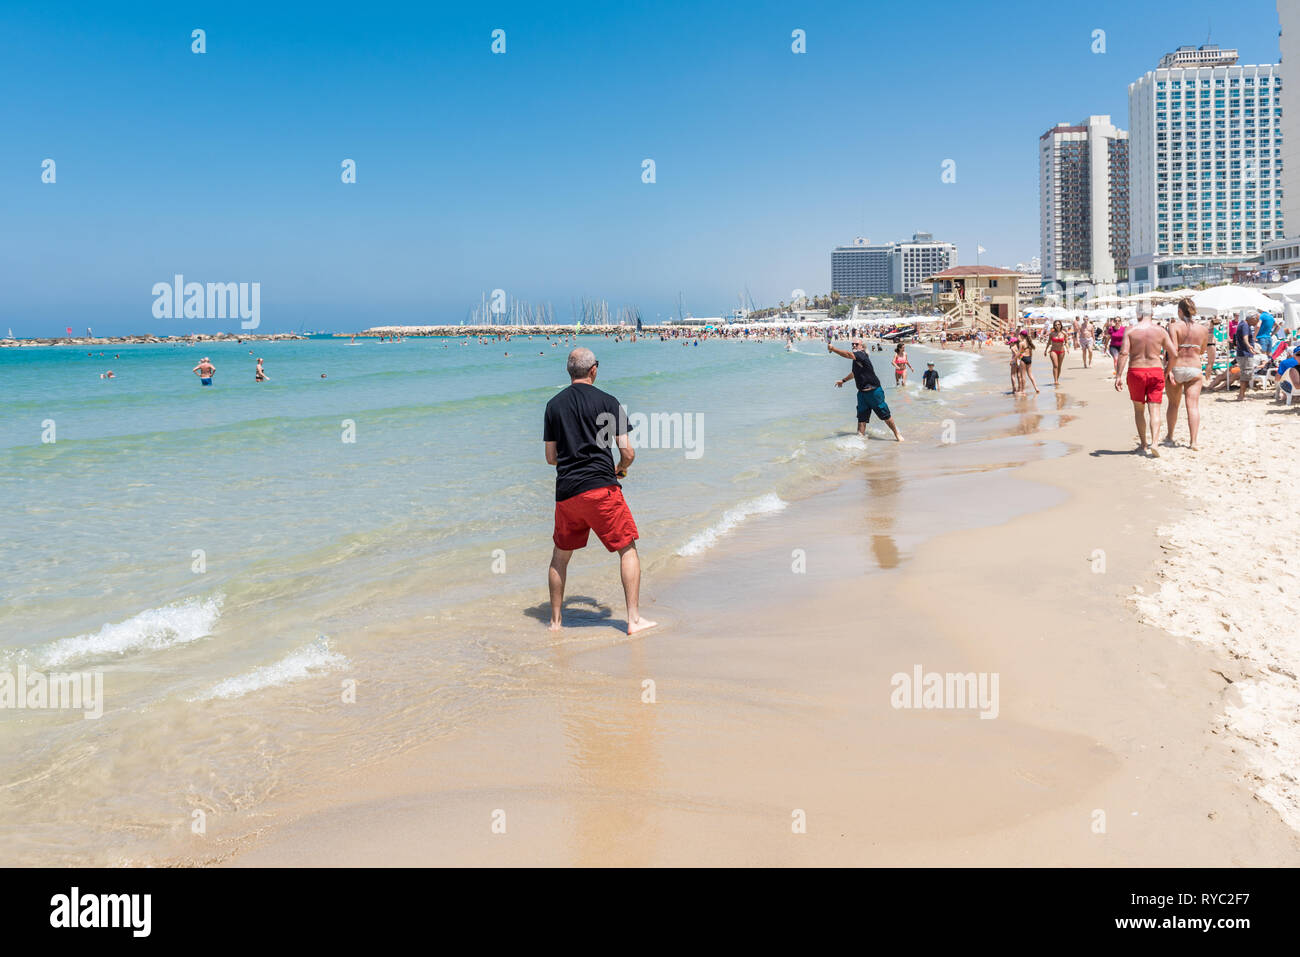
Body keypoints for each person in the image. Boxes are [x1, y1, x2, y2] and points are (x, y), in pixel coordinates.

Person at [543, 348, 656, 636]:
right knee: (627, 549)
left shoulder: (553, 406)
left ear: (570, 371)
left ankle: (555, 623)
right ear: (594, 369)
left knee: (560, 557)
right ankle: (633, 619)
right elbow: (628, 452)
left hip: (567, 492)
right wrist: (621, 468)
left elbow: (550, 457)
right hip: (600, 488)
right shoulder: (607, 401)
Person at [1114, 305, 1177, 456]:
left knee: (1139, 409)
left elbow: (1123, 353)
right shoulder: (1161, 331)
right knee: (1155, 410)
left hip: (1136, 371)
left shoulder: (1130, 330)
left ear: (1138, 314)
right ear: (1152, 313)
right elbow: (1174, 354)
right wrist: (1167, 370)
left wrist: (1118, 376)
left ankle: (1143, 444)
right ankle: (1154, 443)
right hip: (1156, 371)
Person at [829, 339, 903, 440]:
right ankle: (860, 441)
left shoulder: (862, 354)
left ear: (862, 347)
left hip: (874, 392)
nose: (854, 345)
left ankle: (896, 433)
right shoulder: (856, 359)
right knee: (861, 419)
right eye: (852, 344)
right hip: (862, 393)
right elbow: (855, 373)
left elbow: (847, 354)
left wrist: (833, 349)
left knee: (885, 416)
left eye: (856, 344)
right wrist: (843, 380)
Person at [1163, 297, 1209, 450]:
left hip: (1177, 367)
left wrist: (1168, 371)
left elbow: (1173, 350)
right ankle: (1193, 441)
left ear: (1180, 311)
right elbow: (1202, 350)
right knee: (1193, 406)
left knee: (1173, 404)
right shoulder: (1203, 329)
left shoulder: (1174, 326)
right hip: (1194, 368)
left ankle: (1170, 436)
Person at [1233, 312, 1260, 401]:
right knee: (1246, 374)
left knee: (1245, 374)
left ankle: (1242, 395)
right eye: (1257, 320)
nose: (1257, 323)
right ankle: (1241, 396)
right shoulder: (1245, 325)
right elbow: (1245, 338)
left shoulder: (1242, 323)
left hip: (1243, 353)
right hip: (1245, 354)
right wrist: (1249, 346)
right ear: (1252, 318)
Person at [1016, 331, 1040, 395]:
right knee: (1030, 375)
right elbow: (1031, 353)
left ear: (1021, 335)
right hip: (1029, 358)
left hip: (1023, 358)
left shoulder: (1021, 343)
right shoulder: (1029, 343)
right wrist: (1030, 359)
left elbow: (1018, 353)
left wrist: (1013, 359)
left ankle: (1023, 390)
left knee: (1023, 376)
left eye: (1019, 335)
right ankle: (1036, 388)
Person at [1046, 320, 1068, 386]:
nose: (1057, 326)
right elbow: (1049, 342)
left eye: (1058, 324)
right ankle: (1055, 381)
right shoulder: (1052, 334)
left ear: (1061, 325)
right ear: (1054, 326)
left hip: (1061, 351)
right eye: (1055, 325)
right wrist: (1045, 350)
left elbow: (1066, 342)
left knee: (1059, 366)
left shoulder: (1064, 333)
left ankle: (1057, 379)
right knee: (1055, 365)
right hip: (1053, 351)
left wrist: (1068, 348)